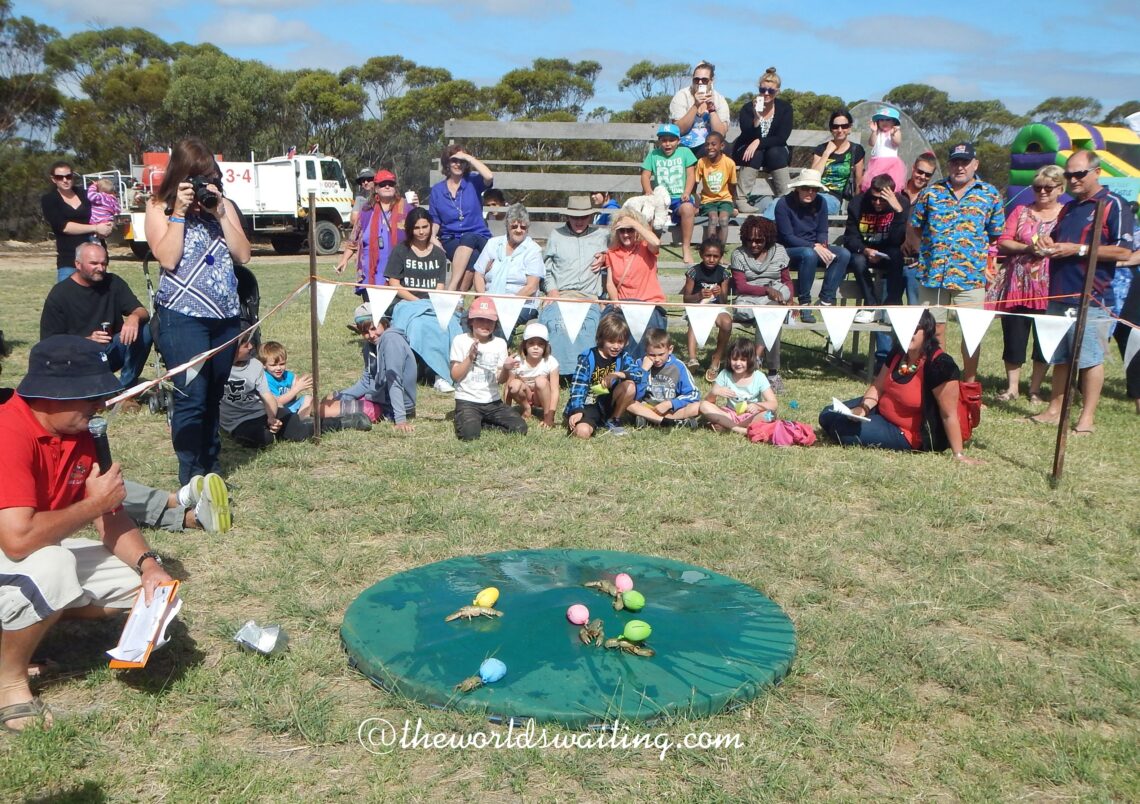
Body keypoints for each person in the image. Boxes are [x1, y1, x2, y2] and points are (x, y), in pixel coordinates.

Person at [0, 335, 173, 732]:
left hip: (28, 553)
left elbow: (111, 519)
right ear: (52, 395)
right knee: (55, 566)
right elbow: (17, 540)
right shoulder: (8, 431)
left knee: (137, 588)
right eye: (90, 396)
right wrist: (92, 505)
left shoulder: (85, 434)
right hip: (19, 547)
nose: (101, 406)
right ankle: (8, 683)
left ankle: (23, 631)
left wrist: (150, 566)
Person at [145, 137, 250, 486]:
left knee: (215, 395)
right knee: (193, 396)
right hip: (182, 316)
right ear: (182, 176)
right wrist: (178, 213)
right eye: (200, 178)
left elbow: (243, 255)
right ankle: (191, 477)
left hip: (225, 317)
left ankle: (212, 469)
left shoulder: (223, 206)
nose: (209, 184)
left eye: (212, 177)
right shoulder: (158, 207)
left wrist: (219, 212)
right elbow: (168, 258)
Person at [1029, 151, 1135, 433]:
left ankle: (1086, 417)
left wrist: (1080, 249)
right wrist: (1050, 245)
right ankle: (1055, 408)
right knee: (1061, 356)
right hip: (1060, 291)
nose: (1073, 179)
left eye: (1079, 174)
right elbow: (1063, 243)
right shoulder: (1069, 208)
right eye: (1069, 175)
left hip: (1092, 295)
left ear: (1097, 172)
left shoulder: (1113, 204)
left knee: (1089, 358)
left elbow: (1124, 250)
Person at [818, 309, 980, 463]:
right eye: (905, 329)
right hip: (881, 409)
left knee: (841, 429)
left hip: (907, 432)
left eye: (915, 329)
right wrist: (863, 409)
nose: (909, 334)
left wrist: (958, 454)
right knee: (827, 414)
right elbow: (878, 387)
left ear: (927, 331)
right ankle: (868, 420)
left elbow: (949, 414)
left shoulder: (940, 365)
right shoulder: (898, 353)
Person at [907, 142, 1004, 383]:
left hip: (969, 277)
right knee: (934, 331)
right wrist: (929, 253)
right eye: (955, 162)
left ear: (975, 164)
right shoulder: (932, 192)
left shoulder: (990, 194)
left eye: (965, 162)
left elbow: (994, 232)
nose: (960, 167)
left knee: (972, 335)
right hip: (933, 276)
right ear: (949, 164)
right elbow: (915, 227)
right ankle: (937, 380)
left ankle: (969, 383)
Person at [992, 165, 1065, 403]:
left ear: (1060, 188)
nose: (1042, 192)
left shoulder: (1066, 214)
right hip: (1018, 284)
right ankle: (1012, 387)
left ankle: (1034, 389)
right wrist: (1028, 248)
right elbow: (1003, 241)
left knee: (1045, 339)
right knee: (1014, 335)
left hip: (1051, 286)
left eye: (1048, 187)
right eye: (1037, 187)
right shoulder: (1021, 211)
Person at [39, 242, 153, 390]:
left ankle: (125, 391)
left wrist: (134, 317)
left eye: (103, 263)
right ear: (78, 264)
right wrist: (86, 341)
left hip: (111, 350)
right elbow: (49, 344)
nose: (100, 268)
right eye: (94, 263)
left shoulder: (113, 282)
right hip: (76, 359)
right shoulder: (60, 294)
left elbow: (141, 311)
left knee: (145, 331)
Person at [721, 216, 793, 390]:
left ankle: (756, 359)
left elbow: (787, 281)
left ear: (767, 238)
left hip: (775, 299)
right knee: (771, 316)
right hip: (749, 300)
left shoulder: (780, 251)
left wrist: (790, 300)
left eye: (758, 240)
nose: (753, 244)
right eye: (749, 240)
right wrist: (767, 290)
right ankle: (772, 373)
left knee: (771, 312)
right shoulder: (738, 254)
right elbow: (741, 286)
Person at [540, 195, 610, 373]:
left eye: (584, 217)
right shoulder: (556, 235)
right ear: (567, 217)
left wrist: (606, 257)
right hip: (561, 294)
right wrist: (552, 290)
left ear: (590, 217)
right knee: (557, 325)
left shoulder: (602, 235)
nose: (579, 221)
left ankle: (585, 371)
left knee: (588, 328)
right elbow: (546, 269)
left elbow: (622, 251)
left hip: (589, 297)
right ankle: (556, 371)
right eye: (575, 217)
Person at [774, 168, 852, 323]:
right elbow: (787, 237)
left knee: (843, 254)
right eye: (805, 188)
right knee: (808, 254)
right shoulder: (783, 204)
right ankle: (805, 303)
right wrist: (814, 246)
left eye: (814, 189)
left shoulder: (821, 202)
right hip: (789, 250)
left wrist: (822, 244)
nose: (810, 192)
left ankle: (826, 300)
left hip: (814, 246)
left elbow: (822, 230)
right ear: (797, 188)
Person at [324, 303, 416, 433]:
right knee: (329, 398)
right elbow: (366, 382)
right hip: (378, 398)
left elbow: (394, 380)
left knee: (321, 409)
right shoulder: (369, 346)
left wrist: (400, 420)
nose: (371, 335)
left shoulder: (391, 340)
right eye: (365, 332)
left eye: (374, 328)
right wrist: (342, 396)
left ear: (384, 323)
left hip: (391, 407)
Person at [449, 296, 527, 441]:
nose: (485, 324)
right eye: (480, 319)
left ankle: (481, 422)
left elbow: (501, 380)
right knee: (469, 436)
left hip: (492, 401)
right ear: (471, 321)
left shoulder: (500, 343)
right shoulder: (460, 340)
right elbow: (455, 375)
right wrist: (470, 357)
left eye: (489, 320)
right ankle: (469, 420)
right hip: (467, 400)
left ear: (495, 323)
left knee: (520, 428)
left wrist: (506, 368)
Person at [843, 174, 910, 329]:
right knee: (857, 261)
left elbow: (897, 240)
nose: (877, 203)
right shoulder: (857, 203)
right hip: (864, 249)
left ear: (891, 196)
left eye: (882, 199)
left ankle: (891, 306)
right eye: (874, 198)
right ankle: (871, 305)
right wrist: (865, 250)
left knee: (896, 256)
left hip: (888, 250)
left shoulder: (902, 204)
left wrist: (898, 212)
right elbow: (850, 238)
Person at [221, 336, 313, 448]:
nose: (251, 346)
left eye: (250, 342)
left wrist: (272, 418)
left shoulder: (255, 364)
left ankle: (335, 423)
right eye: (245, 344)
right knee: (266, 439)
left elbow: (268, 396)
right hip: (239, 420)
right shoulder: (217, 367)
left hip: (262, 412)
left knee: (296, 428)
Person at [564, 312, 645, 438]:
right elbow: (577, 387)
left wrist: (618, 374)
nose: (616, 346)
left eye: (620, 342)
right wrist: (577, 410)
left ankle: (614, 420)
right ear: (601, 339)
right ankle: (585, 423)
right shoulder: (588, 357)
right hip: (589, 403)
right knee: (582, 432)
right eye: (611, 341)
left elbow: (640, 375)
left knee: (630, 385)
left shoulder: (623, 356)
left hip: (609, 402)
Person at [429, 144, 495, 292]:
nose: (458, 164)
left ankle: (452, 290)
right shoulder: (437, 190)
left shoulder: (473, 181)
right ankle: (458, 301)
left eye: (461, 161)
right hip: (451, 237)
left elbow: (489, 176)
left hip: (479, 235)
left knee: (469, 237)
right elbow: (435, 219)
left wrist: (468, 157)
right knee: (474, 258)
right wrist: (432, 237)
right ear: (447, 162)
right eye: (454, 160)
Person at [603, 208, 667, 359]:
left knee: (649, 331)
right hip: (623, 304)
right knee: (610, 326)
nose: (626, 234)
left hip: (648, 304)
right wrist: (615, 301)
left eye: (630, 230)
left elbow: (656, 242)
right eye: (622, 231)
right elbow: (610, 284)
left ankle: (644, 369)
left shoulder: (646, 247)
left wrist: (634, 223)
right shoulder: (612, 253)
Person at [472, 204, 545, 337]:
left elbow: (531, 286)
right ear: (507, 226)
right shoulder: (493, 244)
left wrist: (506, 304)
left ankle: (499, 353)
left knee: (500, 321)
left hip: (521, 303)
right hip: (489, 299)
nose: (518, 230)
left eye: (523, 227)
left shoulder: (533, 250)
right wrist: (483, 298)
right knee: (469, 318)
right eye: (514, 226)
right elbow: (478, 273)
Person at [335, 169, 412, 294]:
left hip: (398, 276)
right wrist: (344, 260)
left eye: (390, 183)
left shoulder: (406, 208)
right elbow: (354, 240)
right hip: (370, 275)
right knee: (371, 311)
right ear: (376, 188)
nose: (387, 186)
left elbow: (420, 231)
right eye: (383, 184)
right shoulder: (366, 211)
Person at [732, 67, 794, 211]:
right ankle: (741, 199)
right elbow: (747, 135)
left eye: (771, 91)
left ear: (777, 92)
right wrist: (756, 118)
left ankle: (786, 198)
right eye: (762, 90)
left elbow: (781, 137)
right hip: (750, 151)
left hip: (774, 152)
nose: (766, 94)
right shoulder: (748, 108)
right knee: (756, 152)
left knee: (775, 152)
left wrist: (759, 141)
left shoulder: (785, 109)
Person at [41, 160, 109, 283]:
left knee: (98, 300)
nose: (65, 180)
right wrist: (95, 228)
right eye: (59, 177)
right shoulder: (49, 199)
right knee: (68, 300)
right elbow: (64, 226)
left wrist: (108, 225)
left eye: (68, 176)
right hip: (69, 260)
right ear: (53, 179)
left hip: (96, 260)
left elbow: (105, 209)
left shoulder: (86, 194)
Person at [641, 123, 698, 264]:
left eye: (671, 140)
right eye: (664, 140)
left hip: (680, 197)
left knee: (688, 208)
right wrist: (648, 191)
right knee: (648, 213)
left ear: (678, 141)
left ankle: (686, 247)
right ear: (659, 141)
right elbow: (645, 176)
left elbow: (691, 175)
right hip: (660, 198)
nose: (667, 144)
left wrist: (687, 192)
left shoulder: (685, 153)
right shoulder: (653, 155)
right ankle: (650, 248)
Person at [699, 337, 778, 435]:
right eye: (734, 359)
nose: (738, 363)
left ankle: (728, 426)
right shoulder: (725, 374)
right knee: (703, 405)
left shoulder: (758, 377)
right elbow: (709, 402)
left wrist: (758, 406)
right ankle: (741, 430)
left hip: (751, 415)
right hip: (730, 414)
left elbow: (773, 404)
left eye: (743, 360)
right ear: (729, 359)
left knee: (770, 415)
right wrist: (714, 392)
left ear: (750, 360)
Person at [628, 327, 701, 429]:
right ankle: (673, 422)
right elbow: (634, 395)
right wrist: (643, 371)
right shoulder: (640, 364)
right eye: (652, 355)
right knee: (628, 403)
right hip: (647, 407)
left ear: (670, 349)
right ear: (645, 351)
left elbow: (693, 394)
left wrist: (670, 404)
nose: (657, 359)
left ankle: (648, 419)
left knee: (697, 406)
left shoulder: (679, 366)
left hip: (670, 409)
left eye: (661, 354)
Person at [681, 238, 730, 373]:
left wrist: (720, 293)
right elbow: (686, 298)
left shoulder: (724, 273)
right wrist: (699, 295)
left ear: (720, 257)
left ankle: (717, 357)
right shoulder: (693, 272)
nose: (711, 259)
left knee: (726, 323)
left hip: (716, 307)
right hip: (697, 307)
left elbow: (724, 301)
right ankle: (692, 358)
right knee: (693, 321)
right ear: (702, 255)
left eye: (716, 256)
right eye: (708, 255)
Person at [898, 152, 939, 304]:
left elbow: (937, 233)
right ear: (913, 168)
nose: (922, 177)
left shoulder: (933, 199)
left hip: (916, 265)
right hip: (892, 262)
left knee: (916, 316)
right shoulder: (896, 192)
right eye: (920, 171)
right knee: (886, 316)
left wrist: (925, 259)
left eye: (927, 175)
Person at [669, 60, 730, 159]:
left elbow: (721, 133)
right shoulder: (682, 96)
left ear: (711, 81)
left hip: (708, 145)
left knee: (724, 147)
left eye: (704, 80)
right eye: (696, 80)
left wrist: (711, 109)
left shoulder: (719, 99)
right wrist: (695, 105)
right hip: (684, 143)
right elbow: (679, 130)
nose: (700, 82)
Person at [386, 208, 448, 303]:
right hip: (405, 302)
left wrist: (431, 304)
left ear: (430, 226)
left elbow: (440, 285)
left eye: (425, 227)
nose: (421, 232)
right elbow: (394, 283)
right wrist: (418, 302)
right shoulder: (400, 250)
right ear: (410, 229)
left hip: (431, 304)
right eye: (416, 228)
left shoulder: (439, 254)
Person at [504, 321, 559, 427]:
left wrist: (551, 416)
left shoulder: (551, 361)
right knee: (514, 384)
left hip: (542, 396)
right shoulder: (517, 361)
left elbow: (555, 390)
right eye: (531, 343)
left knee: (541, 381)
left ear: (546, 346)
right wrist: (506, 411)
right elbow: (508, 386)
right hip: (526, 394)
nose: (535, 347)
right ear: (524, 344)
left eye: (540, 344)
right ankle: (526, 408)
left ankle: (546, 415)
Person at [811, 109, 866, 215]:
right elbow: (813, 177)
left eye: (844, 126)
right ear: (831, 129)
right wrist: (826, 153)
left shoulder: (856, 150)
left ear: (850, 128)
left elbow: (859, 182)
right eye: (835, 127)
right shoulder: (821, 149)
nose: (840, 130)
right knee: (778, 203)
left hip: (833, 198)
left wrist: (856, 207)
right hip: (812, 193)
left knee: (815, 204)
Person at [695, 131, 738, 245]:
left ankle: (720, 251)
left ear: (721, 146)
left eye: (713, 144)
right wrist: (695, 204)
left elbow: (732, 186)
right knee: (713, 218)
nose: (709, 147)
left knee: (723, 220)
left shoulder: (729, 163)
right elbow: (694, 184)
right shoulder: (701, 162)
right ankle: (711, 249)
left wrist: (733, 204)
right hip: (708, 200)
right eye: (707, 144)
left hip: (725, 199)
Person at [259, 340, 312, 417]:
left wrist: (306, 382)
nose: (278, 368)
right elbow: (276, 402)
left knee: (308, 398)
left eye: (282, 364)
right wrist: (297, 389)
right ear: (264, 365)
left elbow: (297, 380)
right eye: (273, 365)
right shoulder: (265, 379)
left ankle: (301, 422)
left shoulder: (287, 375)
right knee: (279, 406)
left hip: (288, 407)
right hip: (274, 411)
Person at [861, 105, 906, 194]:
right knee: (875, 184)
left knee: (889, 185)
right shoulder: (878, 133)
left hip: (891, 165)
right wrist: (874, 132)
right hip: (876, 164)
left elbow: (897, 142)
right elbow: (871, 143)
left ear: (894, 122)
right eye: (882, 120)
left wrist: (893, 135)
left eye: (888, 120)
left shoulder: (895, 131)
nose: (884, 122)